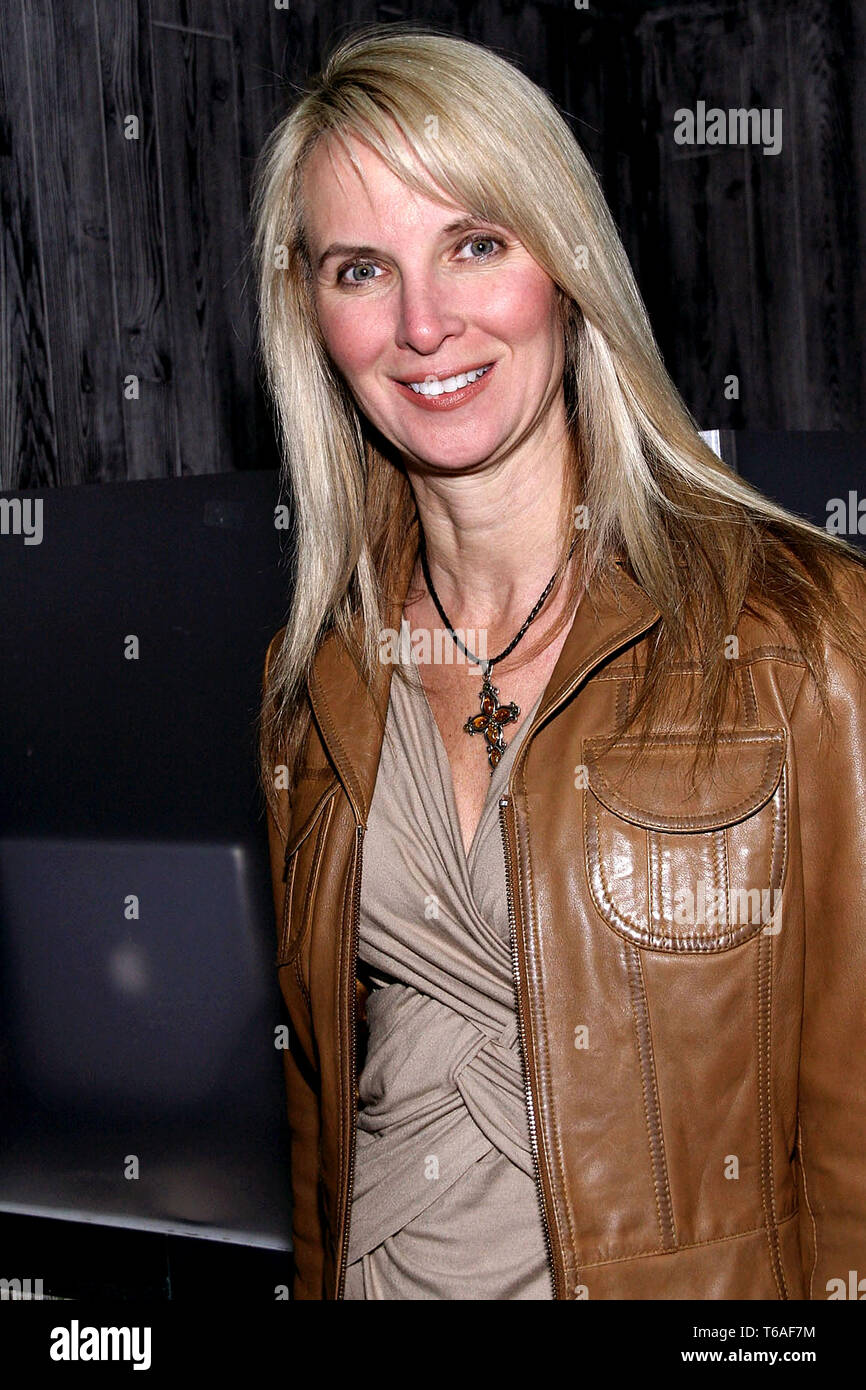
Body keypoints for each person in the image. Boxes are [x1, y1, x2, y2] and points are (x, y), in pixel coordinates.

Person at [253, 23, 866, 1300]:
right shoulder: (318, 678)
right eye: (362, 268)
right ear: (310, 312)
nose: (425, 324)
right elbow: (322, 1116)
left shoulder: (801, 638)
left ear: (565, 263)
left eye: (475, 244)